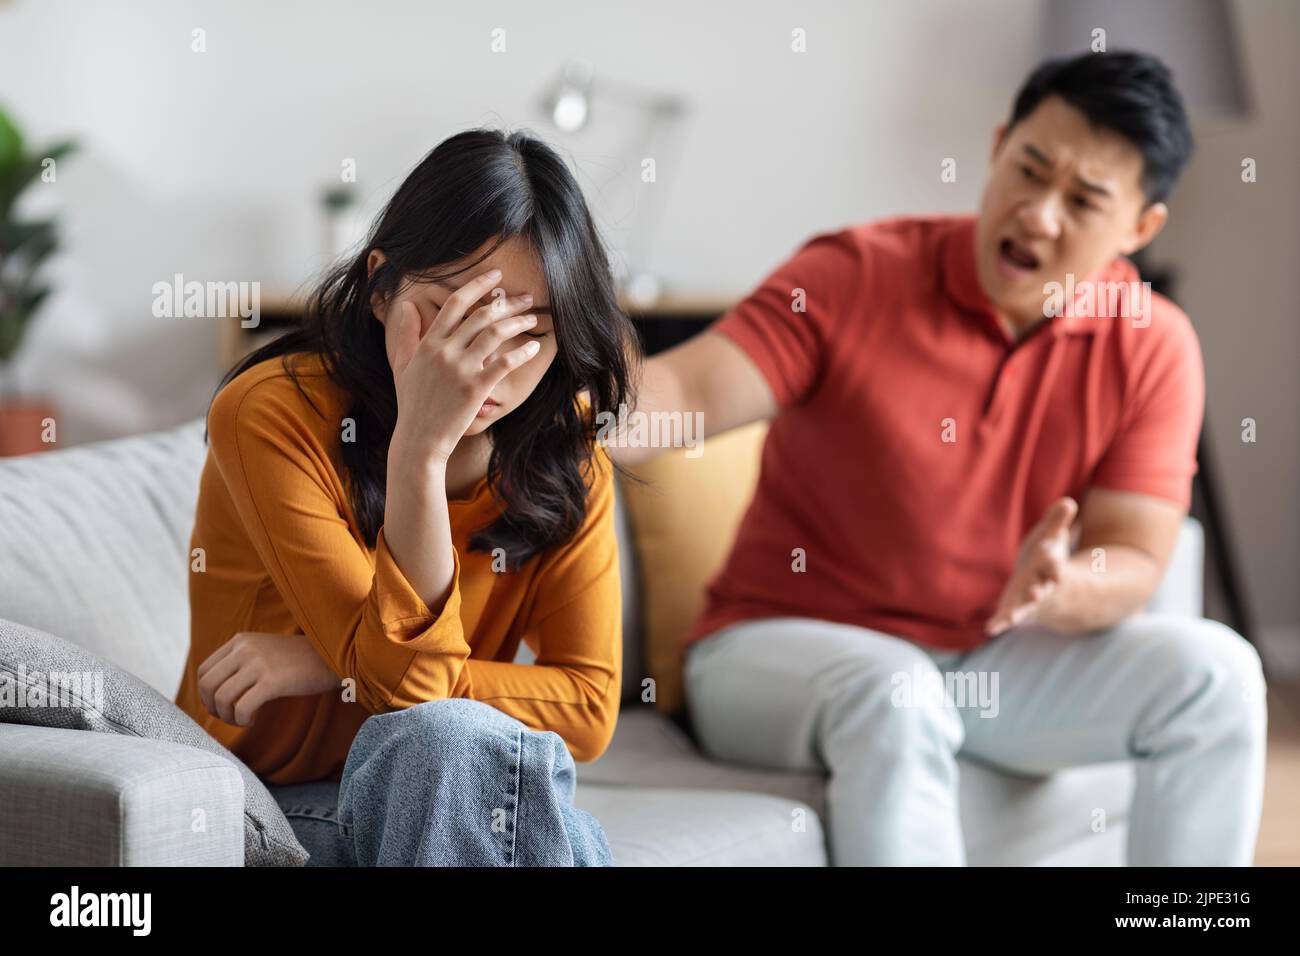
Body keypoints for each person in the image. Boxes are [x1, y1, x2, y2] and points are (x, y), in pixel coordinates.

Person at [615, 50, 1267, 865]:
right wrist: (555, 415)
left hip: (986, 655)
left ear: (1139, 229)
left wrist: (1067, 587)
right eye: (1028, 170)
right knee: (899, 692)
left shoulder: (1153, 344)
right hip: (772, 648)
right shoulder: (855, 273)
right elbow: (685, 398)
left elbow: (1133, 552)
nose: (1038, 215)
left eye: (1085, 200)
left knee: (1220, 675)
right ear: (996, 148)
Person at [174, 129, 636, 866]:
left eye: (525, 331)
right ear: (382, 287)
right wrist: (421, 449)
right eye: (454, 314)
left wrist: (329, 661)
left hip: (460, 776)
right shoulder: (271, 415)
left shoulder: (566, 454)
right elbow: (413, 695)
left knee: (480, 770)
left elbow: (586, 710)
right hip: (275, 794)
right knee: (484, 772)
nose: (482, 365)